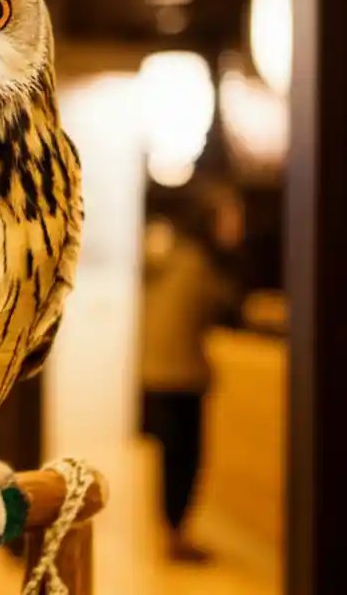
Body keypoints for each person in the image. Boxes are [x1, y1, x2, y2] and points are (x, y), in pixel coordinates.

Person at [139, 182, 242, 563]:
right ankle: (176, 536)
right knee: (186, 459)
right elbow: (227, 306)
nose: (236, 226)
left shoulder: (168, 257)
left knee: (171, 460)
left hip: (157, 374)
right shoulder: (198, 265)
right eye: (230, 218)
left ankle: (172, 533)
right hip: (181, 377)